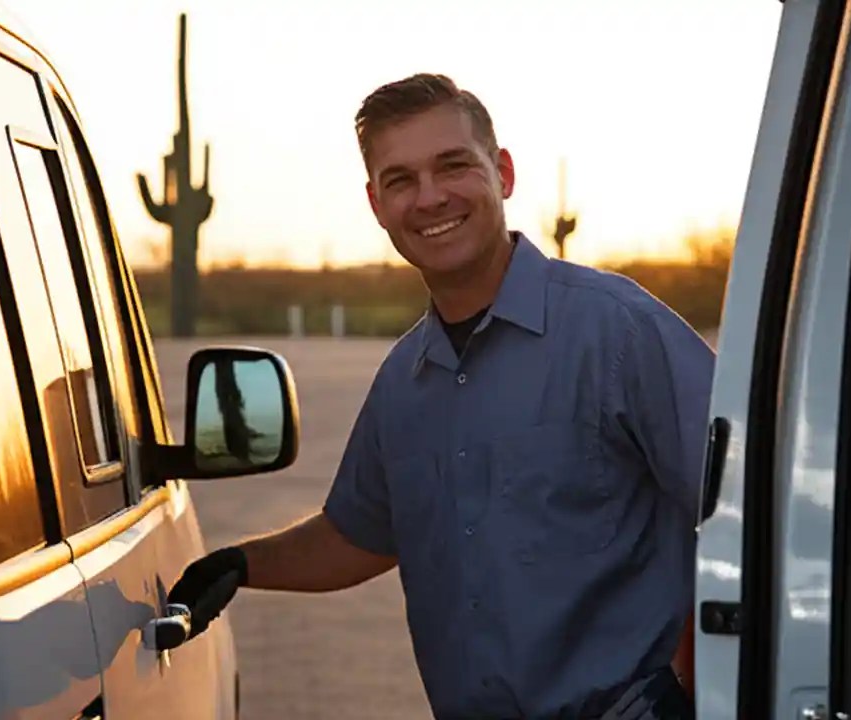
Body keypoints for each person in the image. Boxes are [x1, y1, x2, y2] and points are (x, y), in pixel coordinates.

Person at [167, 72, 715, 720]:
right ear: (376, 204)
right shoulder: (405, 381)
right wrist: (237, 565)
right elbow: (361, 535)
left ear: (502, 172)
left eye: (452, 166)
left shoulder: (617, 332)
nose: (430, 198)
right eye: (401, 180)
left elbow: (746, 509)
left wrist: (696, 688)